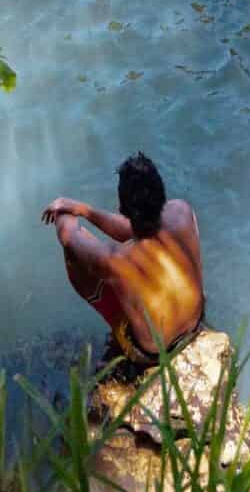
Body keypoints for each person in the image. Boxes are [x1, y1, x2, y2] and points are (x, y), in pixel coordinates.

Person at [42, 153, 204, 365]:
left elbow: (68, 237)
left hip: (154, 353)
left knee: (78, 258)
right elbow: (141, 227)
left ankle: (122, 347)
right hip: (195, 324)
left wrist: (63, 212)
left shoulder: (115, 261)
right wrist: (85, 211)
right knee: (142, 238)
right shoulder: (182, 211)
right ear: (161, 195)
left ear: (122, 209)